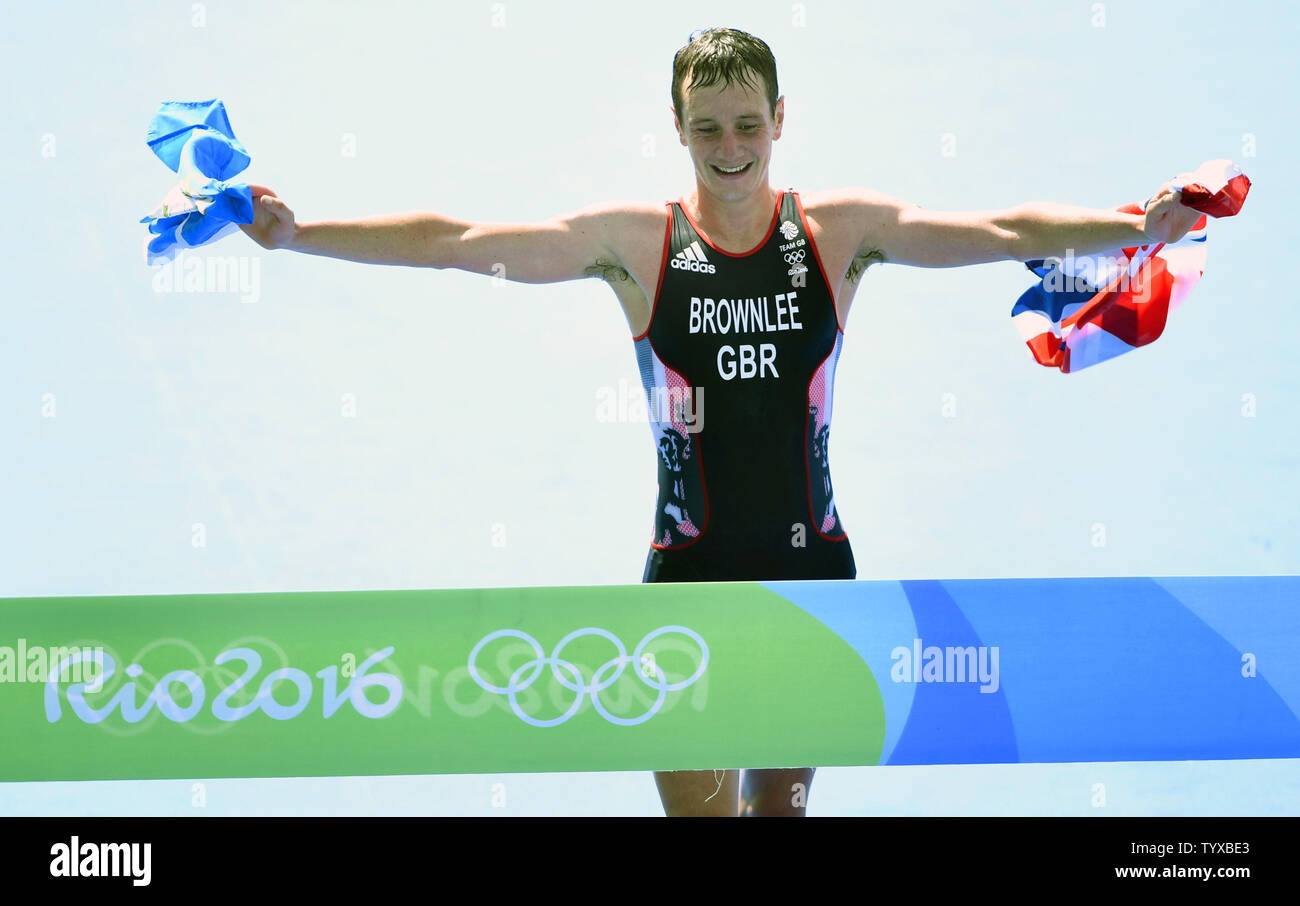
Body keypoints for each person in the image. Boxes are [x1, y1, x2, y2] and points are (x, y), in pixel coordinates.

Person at [238, 27, 1203, 817]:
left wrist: (1132, 228)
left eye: (749, 125)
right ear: (678, 127)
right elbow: (456, 244)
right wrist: (300, 236)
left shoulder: (837, 231)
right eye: (709, 130)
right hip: (685, 587)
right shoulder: (633, 245)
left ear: (781, 120)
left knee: (776, 820)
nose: (731, 149)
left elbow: (1001, 231)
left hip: (813, 576)